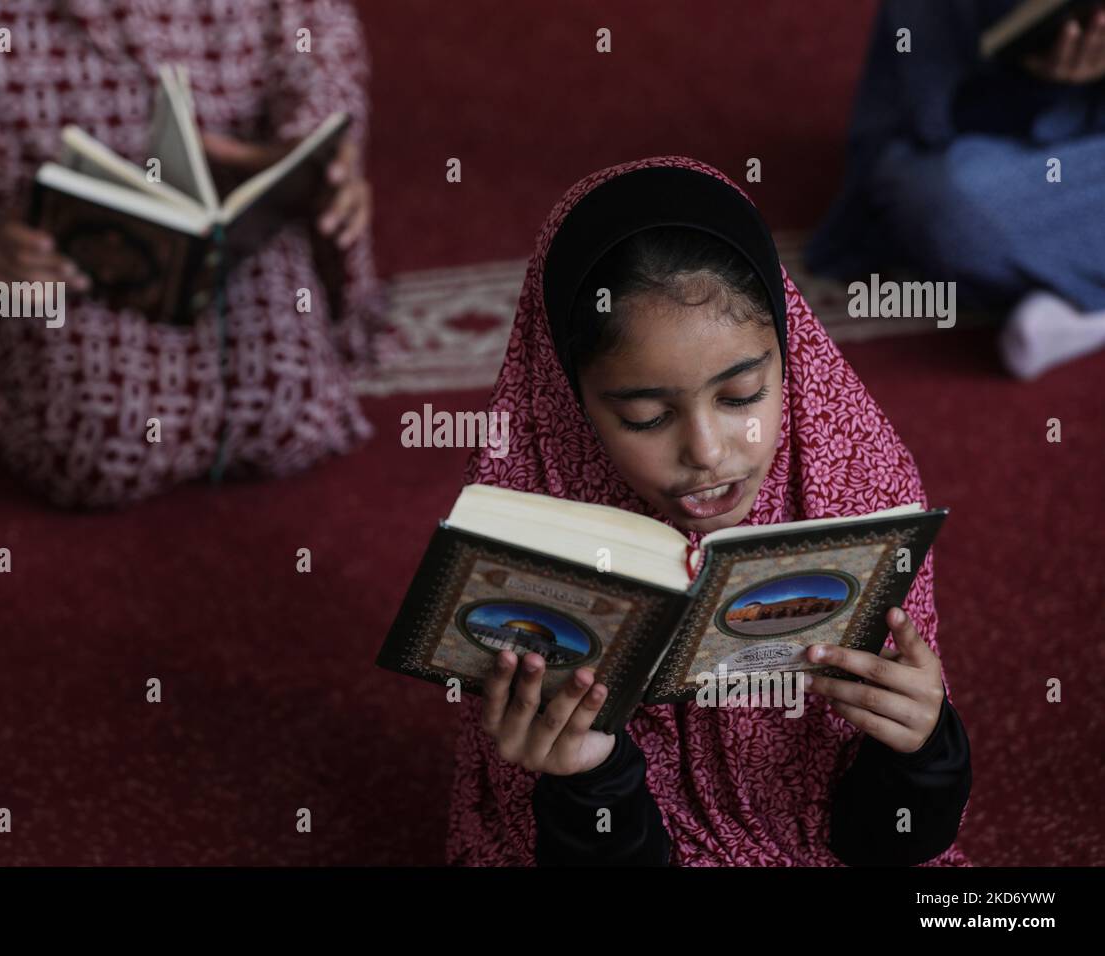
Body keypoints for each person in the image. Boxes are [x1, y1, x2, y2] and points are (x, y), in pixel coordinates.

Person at [445, 156, 973, 866]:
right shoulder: (532, 516)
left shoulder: (857, 481)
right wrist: (589, 777)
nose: (706, 450)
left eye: (742, 396)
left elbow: (893, 842)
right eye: (645, 415)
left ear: (792, 360)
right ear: (571, 405)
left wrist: (924, 746)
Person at [0, 0, 386, 506]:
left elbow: (317, 39)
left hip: (231, 184)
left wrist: (310, 154)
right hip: (41, 210)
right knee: (100, 437)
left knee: (290, 411)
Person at [806, 0, 1105, 380]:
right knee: (946, 210)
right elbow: (930, 121)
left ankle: (1082, 286)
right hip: (997, 159)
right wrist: (1038, 85)